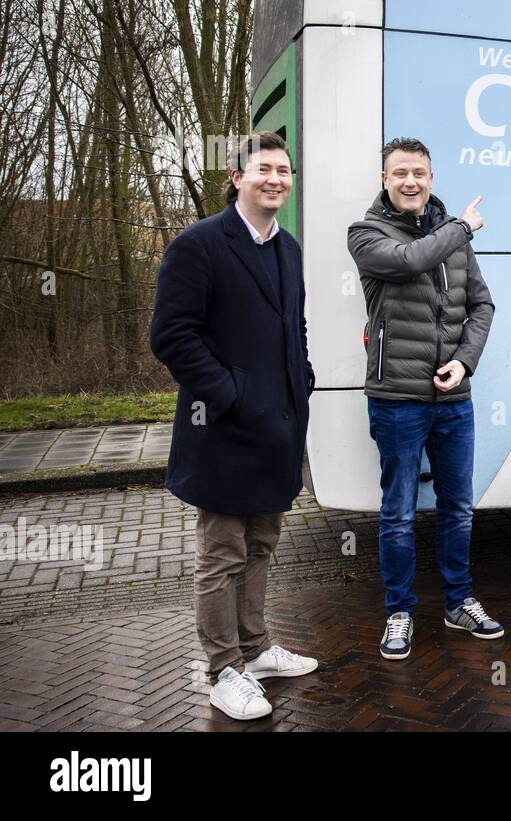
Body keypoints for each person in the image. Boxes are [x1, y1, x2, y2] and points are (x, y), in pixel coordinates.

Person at [150, 131, 319, 721]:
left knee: (262, 544)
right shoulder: (198, 245)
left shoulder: (289, 248)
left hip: (278, 428)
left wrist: (302, 381)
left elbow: (292, 326)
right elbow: (172, 337)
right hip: (221, 427)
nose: (275, 179)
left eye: (284, 170)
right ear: (236, 178)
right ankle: (223, 669)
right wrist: (231, 394)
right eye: (263, 169)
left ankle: (255, 648)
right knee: (222, 552)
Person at [347, 137, 499, 659]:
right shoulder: (365, 234)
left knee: (458, 508)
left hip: (455, 399)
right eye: (399, 173)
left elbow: (482, 305)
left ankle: (459, 602)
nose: (410, 181)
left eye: (419, 173)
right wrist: (460, 227)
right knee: (398, 513)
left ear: (431, 179)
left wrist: (465, 361)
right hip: (397, 400)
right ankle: (399, 612)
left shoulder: (452, 238)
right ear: (384, 181)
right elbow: (411, 261)